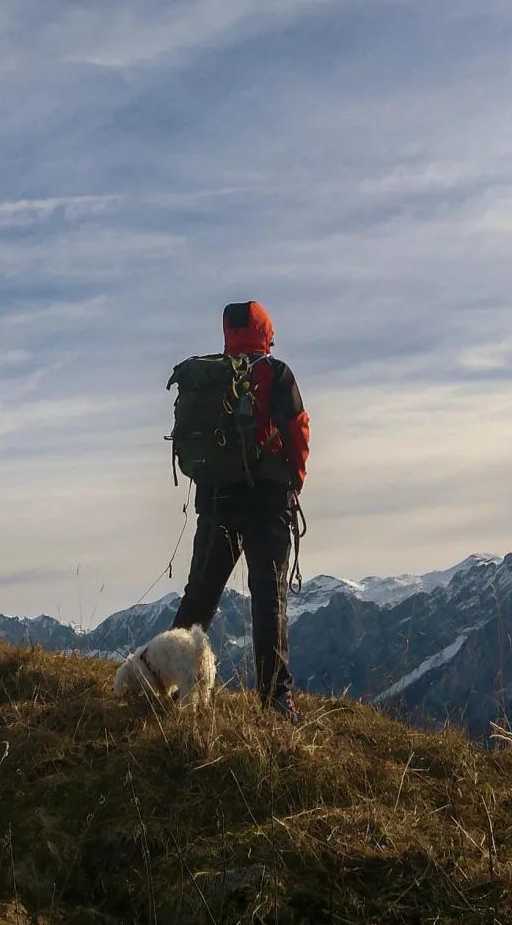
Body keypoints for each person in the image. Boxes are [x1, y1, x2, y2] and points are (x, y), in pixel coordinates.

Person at [171, 300, 310, 721]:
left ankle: (156, 679)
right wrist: (293, 482)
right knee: (269, 602)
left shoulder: (212, 378)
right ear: (267, 333)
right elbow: (298, 431)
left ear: (229, 334)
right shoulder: (275, 373)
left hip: (216, 503)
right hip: (267, 505)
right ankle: (276, 702)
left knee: (199, 599)